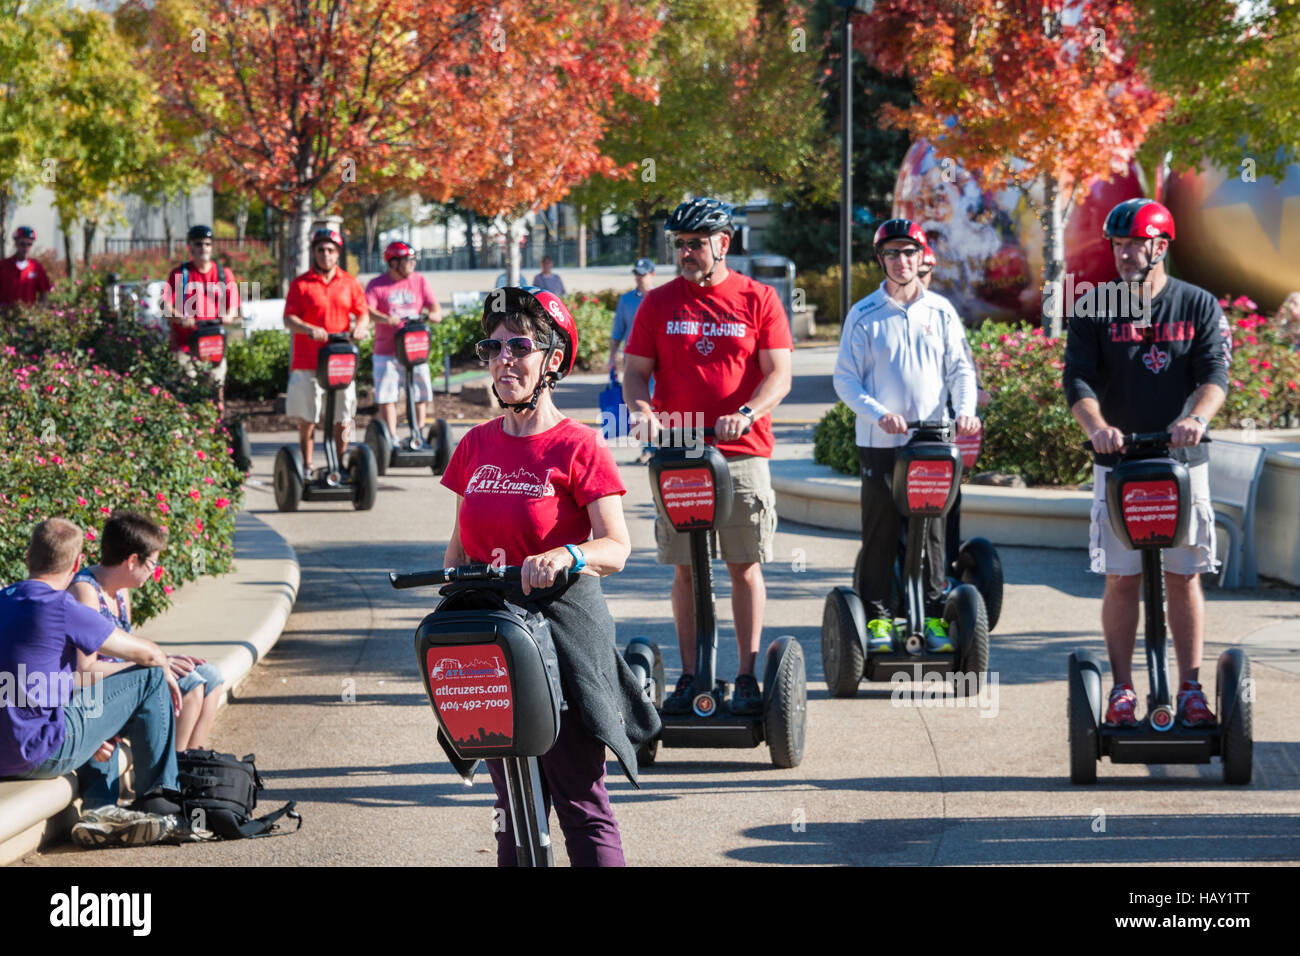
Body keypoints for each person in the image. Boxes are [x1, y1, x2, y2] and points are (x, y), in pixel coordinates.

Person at [440, 286, 658, 867]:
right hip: (492, 640)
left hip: (559, 635)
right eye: (492, 347)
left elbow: (618, 545)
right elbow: (456, 551)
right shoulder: (475, 446)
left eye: (519, 346)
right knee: (511, 805)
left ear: (552, 360)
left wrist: (567, 555)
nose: (502, 359)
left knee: (580, 802)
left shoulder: (579, 445)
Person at [622, 197, 794, 716]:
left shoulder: (757, 297)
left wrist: (747, 410)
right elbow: (635, 372)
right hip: (678, 452)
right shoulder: (658, 303)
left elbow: (778, 375)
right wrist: (642, 411)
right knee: (685, 571)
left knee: (743, 565)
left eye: (696, 243)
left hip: (740, 453)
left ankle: (744, 675)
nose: (687, 253)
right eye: (680, 244)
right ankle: (695, 672)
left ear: (724, 243)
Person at [1063, 198, 1230, 729]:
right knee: (1121, 578)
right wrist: (1097, 428)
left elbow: (1214, 376)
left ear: (1160, 246)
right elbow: (1078, 380)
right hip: (1120, 462)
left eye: (1135, 244)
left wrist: (1195, 419)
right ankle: (1122, 692)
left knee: (1184, 577)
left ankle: (1190, 691)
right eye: (1118, 244)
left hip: (1184, 460)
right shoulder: (1094, 307)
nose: (1125, 254)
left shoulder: (1197, 305)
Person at [833, 218, 979, 653]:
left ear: (921, 258)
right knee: (880, 528)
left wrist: (965, 412)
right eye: (893, 253)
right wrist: (879, 414)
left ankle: (933, 617)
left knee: (932, 530)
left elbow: (960, 369)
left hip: (932, 440)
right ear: (881, 260)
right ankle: (878, 618)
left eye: (909, 252)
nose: (902, 261)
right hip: (881, 443)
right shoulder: (864, 315)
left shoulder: (941, 311)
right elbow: (845, 380)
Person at [0, 519, 183, 847]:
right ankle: (160, 802)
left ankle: (101, 811)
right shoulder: (61, 605)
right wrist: (164, 664)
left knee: (89, 702)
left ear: (28, 557)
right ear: (76, 564)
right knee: (150, 678)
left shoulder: (4, 600)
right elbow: (147, 655)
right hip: (39, 752)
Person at [69, 511, 224, 792]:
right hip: (99, 693)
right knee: (190, 687)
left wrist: (166, 661)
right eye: (152, 563)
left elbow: (124, 650)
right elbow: (84, 672)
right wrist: (149, 669)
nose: (154, 571)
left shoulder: (120, 591)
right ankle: (166, 788)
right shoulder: (85, 592)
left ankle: (191, 770)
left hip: (126, 682)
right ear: (131, 561)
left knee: (210, 678)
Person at [282, 227, 371, 479]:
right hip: (308, 362)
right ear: (314, 252)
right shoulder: (301, 284)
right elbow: (289, 318)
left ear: (337, 254)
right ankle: (307, 467)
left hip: (340, 362)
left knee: (344, 418)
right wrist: (310, 329)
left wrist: (361, 328)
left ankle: (338, 466)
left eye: (330, 250)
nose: (325, 254)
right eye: (320, 250)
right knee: (308, 419)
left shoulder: (349, 283)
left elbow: (362, 312)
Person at [365, 241, 443, 443]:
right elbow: (367, 310)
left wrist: (434, 314)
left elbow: (435, 307)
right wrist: (385, 318)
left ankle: (418, 436)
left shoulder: (419, 281)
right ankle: (390, 438)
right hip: (386, 351)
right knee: (387, 396)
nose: (413, 264)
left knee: (420, 392)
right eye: (409, 260)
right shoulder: (377, 284)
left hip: (415, 349)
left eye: (414, 260)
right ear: (393, 263)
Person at [161, 225, 242, 411]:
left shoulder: (223, 274)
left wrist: (229, 315)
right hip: (186, 346)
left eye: (207, 244)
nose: (203, 248)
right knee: (189, 392)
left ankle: (218, 432)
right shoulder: (180, 274)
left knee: (216, 390)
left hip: (213, 344)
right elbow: (165, 306)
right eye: (198, 244)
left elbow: (234, 304)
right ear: (190, 247)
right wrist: (181, 317)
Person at [609, 258, 657, 463]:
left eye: (643, 274)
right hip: (634, 361)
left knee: (659, 402)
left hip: (660, 361)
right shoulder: (626, 300)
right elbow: (618, 330)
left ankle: (663, 446)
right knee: (641, 403)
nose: (639, 277)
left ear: (652, 275)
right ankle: (648, 448)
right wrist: (612, 357)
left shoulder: (661, 298)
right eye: (637, 273)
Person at [0, 226, 52, 308]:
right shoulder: (3, 266)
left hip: (28, 317)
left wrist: (40, 313)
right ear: (16, 244)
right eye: (22, 244)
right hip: (5, 316)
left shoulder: (36, 267)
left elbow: (44, 293)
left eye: (29, 244)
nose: (26, 248)